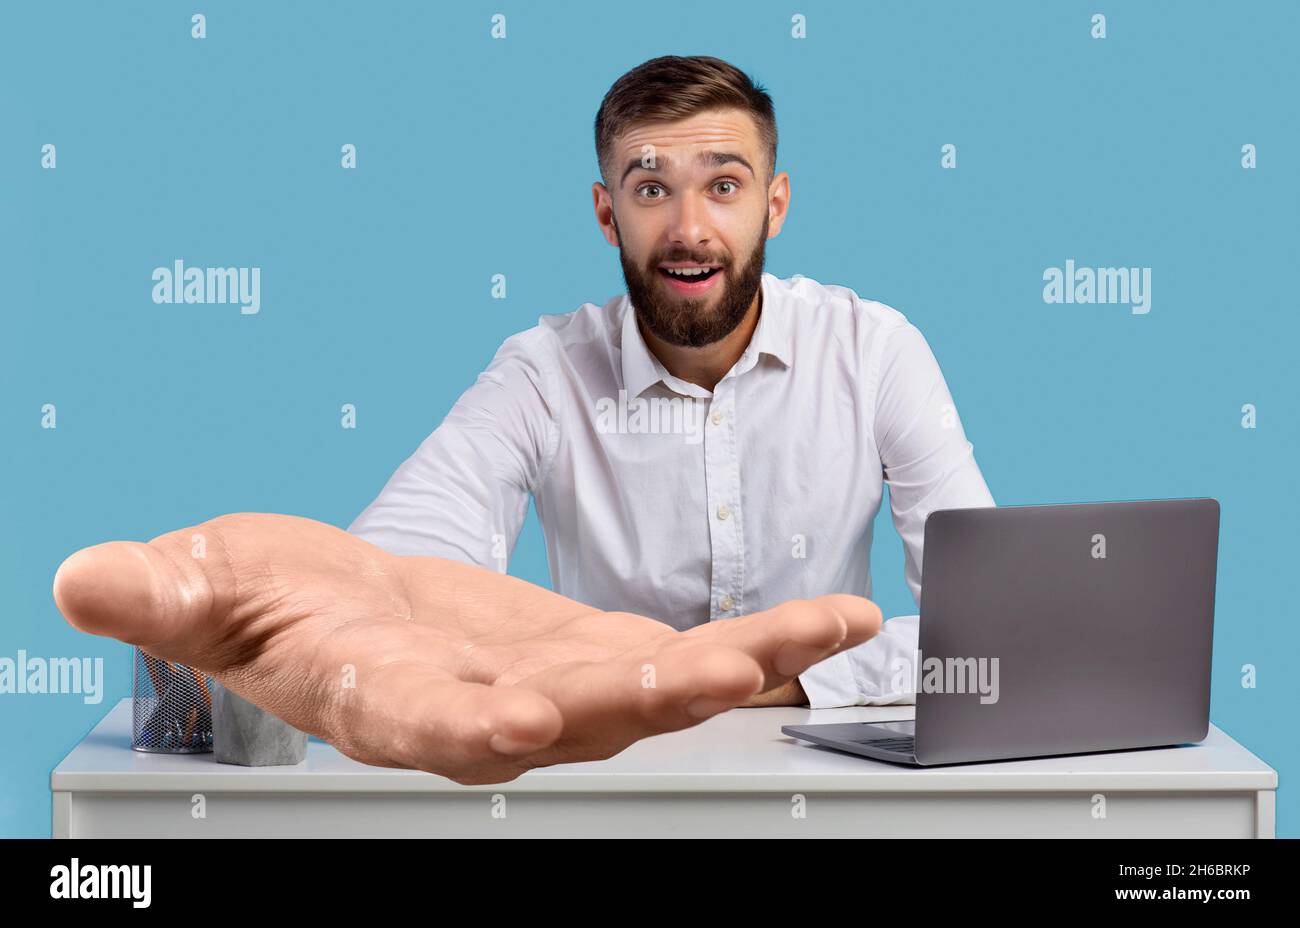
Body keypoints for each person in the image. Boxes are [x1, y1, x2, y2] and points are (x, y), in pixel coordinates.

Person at [347, 55, 996, 709]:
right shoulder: (545, 375)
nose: (689, 232)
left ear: (774, 206)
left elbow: (990, 629)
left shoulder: (872, 352)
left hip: (823, 783)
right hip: (610, 785)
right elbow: (387, 580)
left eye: (723, 186)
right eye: (653, 190)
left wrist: (784, 685)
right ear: (608, 215)